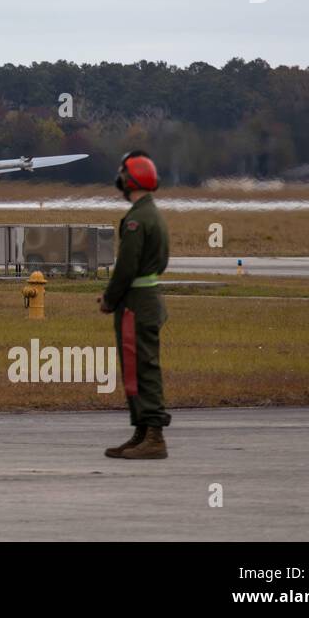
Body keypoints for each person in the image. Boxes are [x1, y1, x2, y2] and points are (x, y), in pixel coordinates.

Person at [98, 150, 171, 459]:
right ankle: (141, 432)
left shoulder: (137, 220)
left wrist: (110, 299)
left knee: (142, 366)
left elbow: (126, 268)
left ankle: (153, 436)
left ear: (131, 179)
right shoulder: (151, 213)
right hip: (146, 299)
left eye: (124, 174)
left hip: (136, 303)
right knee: (135, 365)